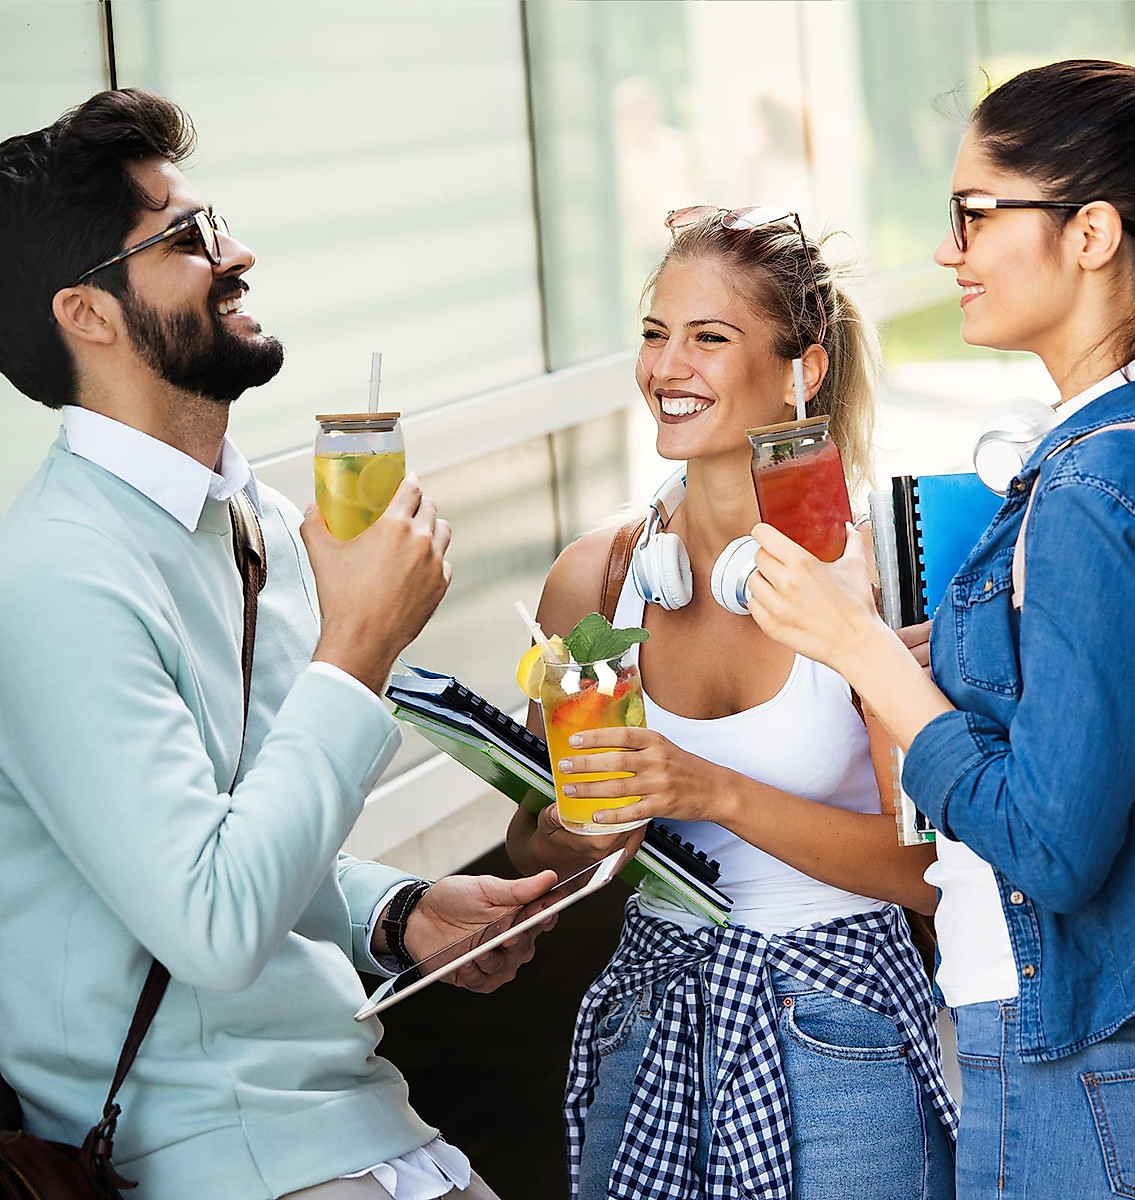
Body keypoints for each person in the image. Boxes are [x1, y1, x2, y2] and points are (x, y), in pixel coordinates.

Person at [0, 88, 559, 1200]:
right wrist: (356, 652)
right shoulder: (54, 579)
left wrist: (397, 914)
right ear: (88, 313)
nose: (236, 252)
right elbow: (210, 925)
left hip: (360, 1115)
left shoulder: (243, 521)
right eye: (187, 237)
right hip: (214, 1153)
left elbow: (232, 840)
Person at [747, 61, 1135, 1199]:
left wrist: (856, 645)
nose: (950, 253)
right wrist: (916, 653)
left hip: (1087, 1063)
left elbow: (1052, 842)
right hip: (1097, 1058)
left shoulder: (1100, 488)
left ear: (1090, 233)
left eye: (973, 215)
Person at [507, 207, 956, 1200]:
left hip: (838, 1024)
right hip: (650, 1013)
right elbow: (529, 842)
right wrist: (577, 834)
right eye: (655, 332)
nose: (670, 365)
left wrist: (713, 792)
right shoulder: (598, 580)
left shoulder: (866, 575)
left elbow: (931, 876)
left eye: (710, 337)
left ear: (805, 367)